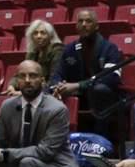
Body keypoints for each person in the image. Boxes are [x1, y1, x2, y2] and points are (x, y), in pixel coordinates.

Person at [0, 60, 81, 167]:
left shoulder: (57, 110)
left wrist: (1, 154)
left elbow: (45, 152)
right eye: (22, 76)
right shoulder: (8, 106)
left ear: (43, 81)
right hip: (21, 163)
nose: (27, 80)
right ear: (17, 82)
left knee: (28, 163)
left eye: (33, 76)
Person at [54, 9, 125, 153]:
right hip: (81, 97)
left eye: (88, 21)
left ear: (97, 26)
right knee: (47, 92)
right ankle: (59, 146)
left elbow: (111, 78)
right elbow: (58, 75)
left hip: (108, 98)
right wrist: (57, 87)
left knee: (99, 89)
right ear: (76, 26)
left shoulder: (109, 48)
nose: (84, 24)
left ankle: (100, 143)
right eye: (80, 21)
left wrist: (78, 85)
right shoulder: (70, 48)